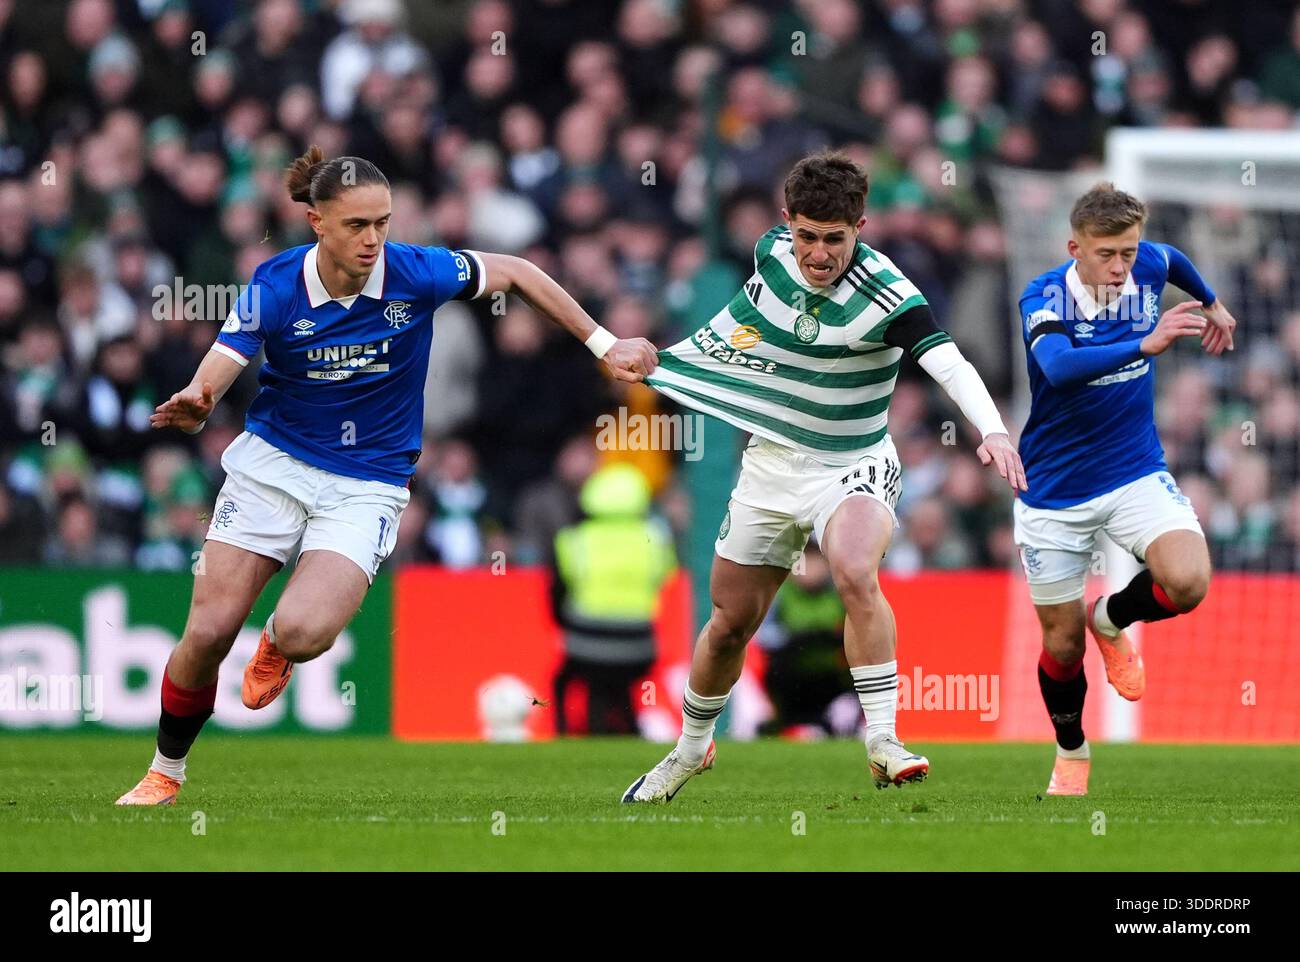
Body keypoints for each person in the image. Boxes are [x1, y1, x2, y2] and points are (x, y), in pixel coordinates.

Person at [116, 145, 657, 805]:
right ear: (317, 222)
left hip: (366, 482)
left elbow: (515, 271)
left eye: (383, 221)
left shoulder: (417, 272)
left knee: (306, 633)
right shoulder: (277, 284)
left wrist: (605, 343)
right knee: (206, 633)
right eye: (356, 225)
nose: (374, 239)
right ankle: (165, 771)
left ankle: (279, 644)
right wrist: (199, 401)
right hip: (273, 467)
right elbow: (223, 362)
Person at [622, 151, 1025, 803]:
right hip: (774, 461)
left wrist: (993, 430)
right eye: (806, 235)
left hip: (855, 459)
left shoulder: (890, 296)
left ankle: (884, 741)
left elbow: (948, 362)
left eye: (834, 239)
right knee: (729, 621)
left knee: (853, 570)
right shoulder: (770, 256)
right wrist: (669, 361)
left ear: (860, 227)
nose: (817, 253)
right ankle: (691, 750)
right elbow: (744, 334)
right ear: (787, 224)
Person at [1014, 182, 1235, 796]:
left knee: (1188, 581)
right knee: (1060, 647)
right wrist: (1144, 343)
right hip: (1054, 489)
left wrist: (1211, 302)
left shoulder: (1147, 265)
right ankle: (1071, 752)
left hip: (1134, 467)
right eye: (1106, 254)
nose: (1120, 267)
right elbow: (1057, 367)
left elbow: (1174, 260)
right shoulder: (1044, 296)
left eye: (1127, 253)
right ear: (1074, 248)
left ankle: (1109, 617)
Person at [551, 463, 675, 735]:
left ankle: (564, 733)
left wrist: (568, 626)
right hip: (639, 645)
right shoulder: (656, 536)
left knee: (566, 681)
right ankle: (626, 729)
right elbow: (665, 579)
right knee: (620, 686)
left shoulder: (574, 539)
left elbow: (558, 593)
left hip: (587, 643)